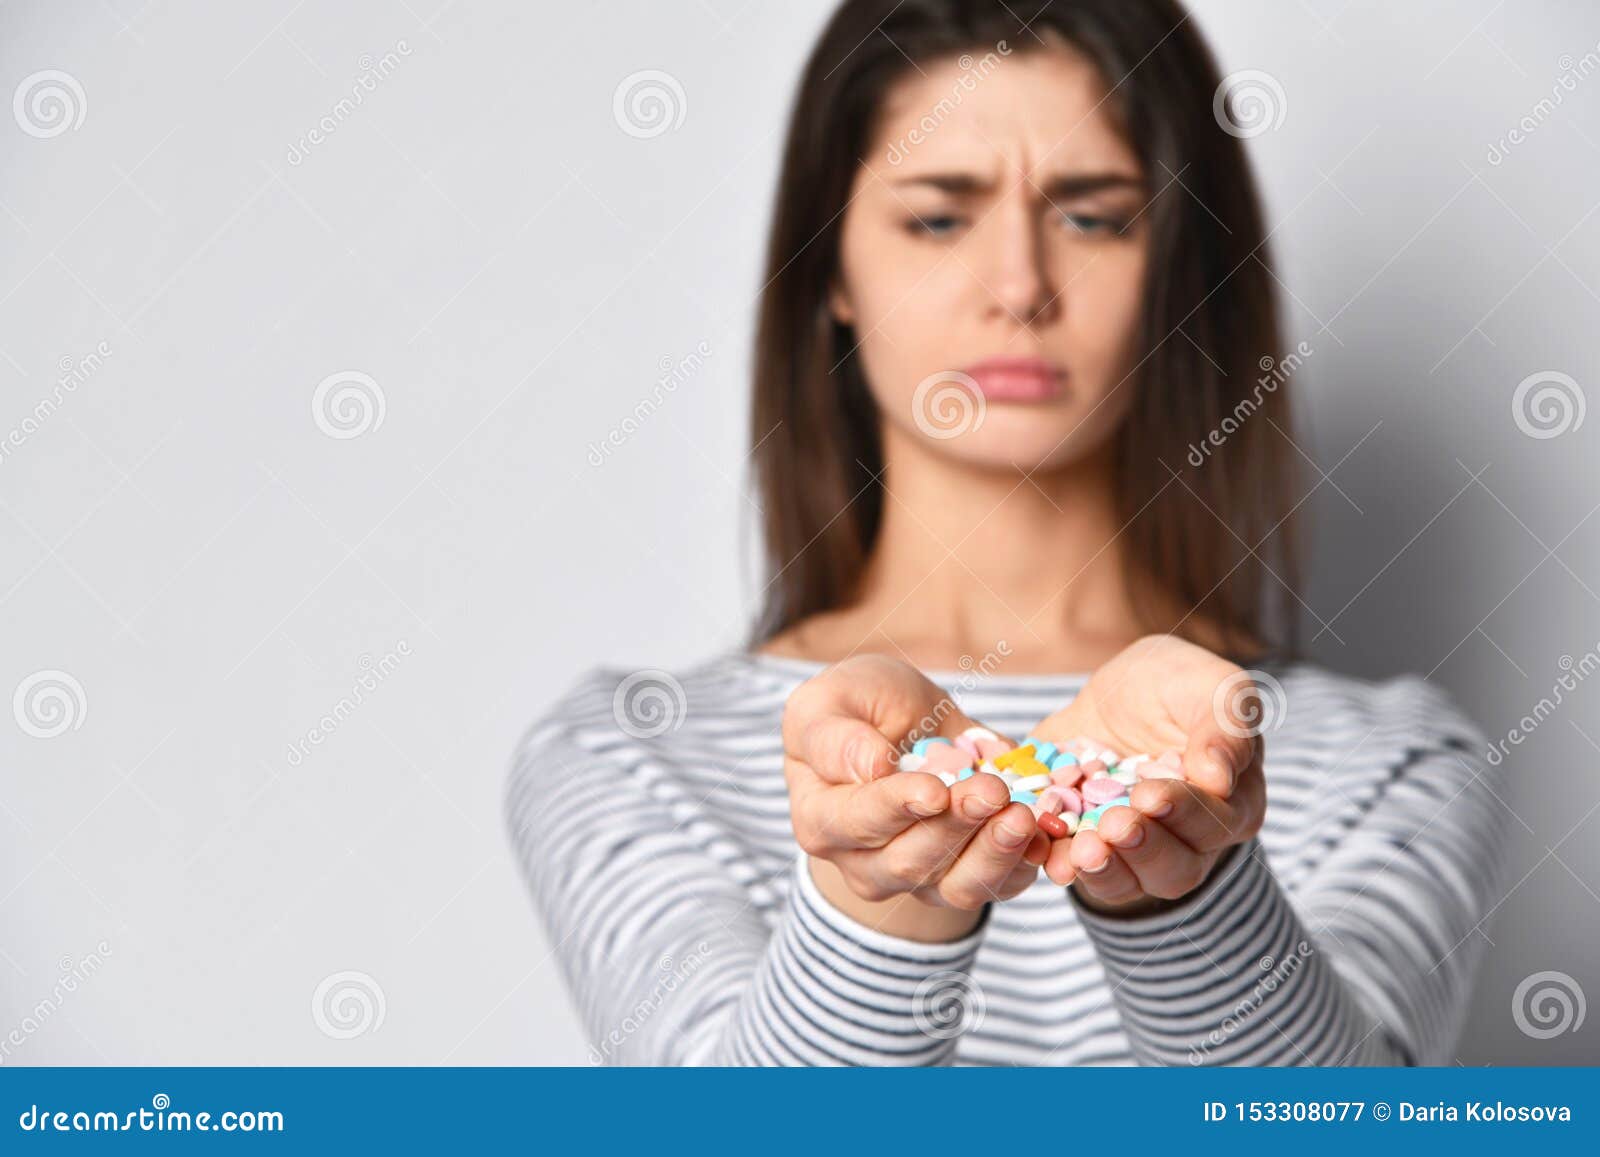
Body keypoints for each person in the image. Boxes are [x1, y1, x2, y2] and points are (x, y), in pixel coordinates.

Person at [505, 0, 1509, 1065]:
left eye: (1094, 217)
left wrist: (1186, 895)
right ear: (831, 269)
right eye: (940, 220)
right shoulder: (634, 754)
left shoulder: (1392, 763)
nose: (1021, 288)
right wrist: (879, 899)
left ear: (1182, 270)